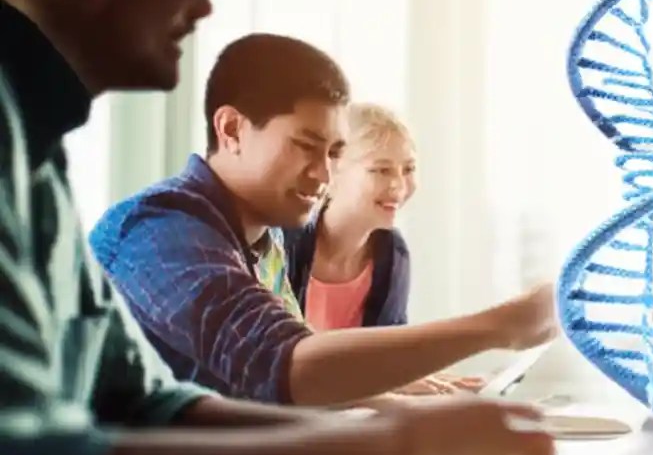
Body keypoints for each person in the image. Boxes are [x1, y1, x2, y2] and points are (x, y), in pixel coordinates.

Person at [0, 0, 552, 455]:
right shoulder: (158, 227)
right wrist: (389, 444)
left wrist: (381, 448)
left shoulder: (37, 161)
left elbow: (149, 404)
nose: (201, 4)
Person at [90, 33, 554, 407]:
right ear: (231, 129)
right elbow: (288, 370)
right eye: (306, 146)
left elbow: (276, 397)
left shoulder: (263, 240)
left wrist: (413, 418)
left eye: (334, 152)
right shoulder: (161, 231)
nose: (324, 174)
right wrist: (502, 325)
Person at [283, 101, 481, 394]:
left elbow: (387, 358)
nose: (399, 186)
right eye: (381, 170)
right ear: (332, 171)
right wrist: (387, 382)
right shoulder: (282, 245)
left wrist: (431, 381)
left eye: (408, 169)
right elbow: (282, 365)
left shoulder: (393, 254)